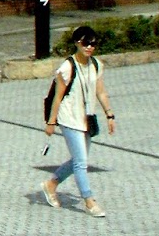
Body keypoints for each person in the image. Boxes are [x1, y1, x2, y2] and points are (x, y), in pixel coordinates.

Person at [43, 25, 117, 217]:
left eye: (93, 44)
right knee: (81, 162)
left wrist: (109, 114)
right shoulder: (67, 67)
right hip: (69, 118)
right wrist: (51, 122)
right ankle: (89, 201)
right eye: (85, 43)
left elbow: (100, 91)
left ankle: (51, 184)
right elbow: (57, 97)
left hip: (87, 119)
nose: (89, 47)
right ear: (77, 43)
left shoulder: (96, 65)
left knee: (78, 159)